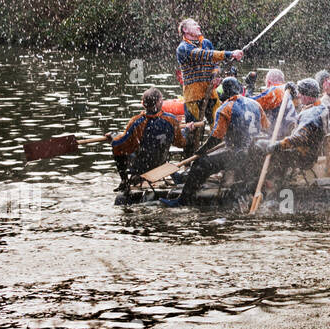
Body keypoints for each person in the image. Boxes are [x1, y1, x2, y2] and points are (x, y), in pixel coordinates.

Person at [171, 75, 263, 205]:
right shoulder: (255, 104)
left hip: (237, 154)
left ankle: (183, 200)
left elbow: (215, 138)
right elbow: (266, 128)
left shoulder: (225, 108)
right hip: (254, 153)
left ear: (225, 92)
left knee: (200, 164)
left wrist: (200, 152)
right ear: (239, 89)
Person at [175, 18, 243, 153]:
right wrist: (229, 54)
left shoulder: (206, 43)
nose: (198, 26)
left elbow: (215, 63)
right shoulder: (183, 48)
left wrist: (215, 75)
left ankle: (219, 156)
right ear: (185, 30)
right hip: (193, 97)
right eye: (194, 24)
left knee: (219, 125)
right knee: (193, 132)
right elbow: (204, 55)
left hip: (210, 93)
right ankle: (189, 162)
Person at [110, 87, 194, 188]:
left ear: (143, 104)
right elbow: (181, 143)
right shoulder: (171, 120)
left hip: (141, 167)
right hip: (160, 163)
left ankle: (124, 181)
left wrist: (113, 137)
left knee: (116, 146)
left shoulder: (137, 122)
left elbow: (121, 143)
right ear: (160, 102)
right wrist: (187, 130)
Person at [263, 77, 329, 176]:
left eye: (300, 94)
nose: (298, 95)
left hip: (302, 156)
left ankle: (273, 180)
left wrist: (277, 145)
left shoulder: (310, 115)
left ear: (308, 96)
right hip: (311, 152)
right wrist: (293, 91)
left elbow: (298, 138)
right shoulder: (320, 106)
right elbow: (301, 108)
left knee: (262, 147)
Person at [252, 69, 296, 133]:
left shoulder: (275, 91)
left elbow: (252, 103)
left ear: (269, 82)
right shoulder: (288, 90)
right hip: (291, 129)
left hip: (281, 132)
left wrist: (250, 86)